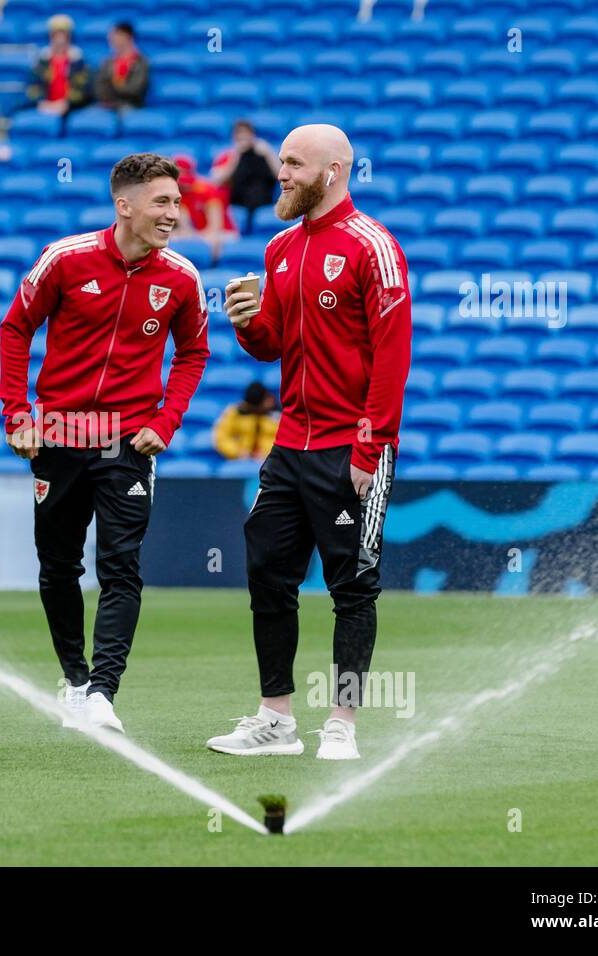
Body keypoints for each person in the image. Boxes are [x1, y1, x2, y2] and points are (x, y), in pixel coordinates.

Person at [207, 124, 411, 761]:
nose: (283, 174)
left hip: (351, 448)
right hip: (290, 442)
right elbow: (273, 344)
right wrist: (247, 324)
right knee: (267, 572)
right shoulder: (280, 247)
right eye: (283, 162)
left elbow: (391, 358)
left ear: (335, 171)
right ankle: (276, 720)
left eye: (295, 163)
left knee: (354, 585)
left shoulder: (372, 246)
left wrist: (369, 450)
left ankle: (343, 723)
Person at [0, 153, 209, 734]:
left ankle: (103, 694)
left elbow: (193, 354)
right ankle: (73, 679)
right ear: (125, 205)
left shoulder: (183, 278)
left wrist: (164, 423)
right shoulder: (65, 259)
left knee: (121, 568)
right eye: (162, 202)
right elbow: (16, 326)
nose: (173, 213)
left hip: (129, 446)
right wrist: (18, 414)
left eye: (176, 201)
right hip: (57, 441)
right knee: (59, 567)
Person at [210, 120, 281, 235]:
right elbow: (215, 181)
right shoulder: (229, 155)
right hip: (237, 201)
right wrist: (235, 157)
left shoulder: (264, 153)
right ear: (234, 137)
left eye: (246, 134)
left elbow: (280, 175)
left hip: (263, 201)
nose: (243, 138)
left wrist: (268, 153)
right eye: (239, 134)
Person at [173, 154, 236, 259]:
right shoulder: (176, 194)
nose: (185, 185)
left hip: (223, 233)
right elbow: (185, 227)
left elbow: (215, 226)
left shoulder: (206, 190)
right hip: (198, 235)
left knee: (212, 241)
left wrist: (195, 237)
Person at [27, 14, 90, 116]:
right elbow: (33, 86)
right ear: (50, 36)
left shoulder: (78, 60)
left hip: (70, 107)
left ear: (69, 37)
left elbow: (83, 88)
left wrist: (66, 104)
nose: (59, 39)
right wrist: (41, 102)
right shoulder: (41, 61)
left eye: (63, 35)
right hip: (45, 105)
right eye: (56, 35)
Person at [212, 381, 278, 460]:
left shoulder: (278, 415)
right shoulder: (234, 413)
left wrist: (268, 454)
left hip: (270, 459)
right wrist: (237, 452)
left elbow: (284, 441)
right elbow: (221, 438)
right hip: (240, 459)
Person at [94, 22, 149, 110]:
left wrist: (113, 87)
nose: (110, 38)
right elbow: (99, 87)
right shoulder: (108, 62)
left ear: (127, 36)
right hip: (108, 105)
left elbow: (135, 90)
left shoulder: (141, 62)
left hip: (131, 105)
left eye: (115, 34)